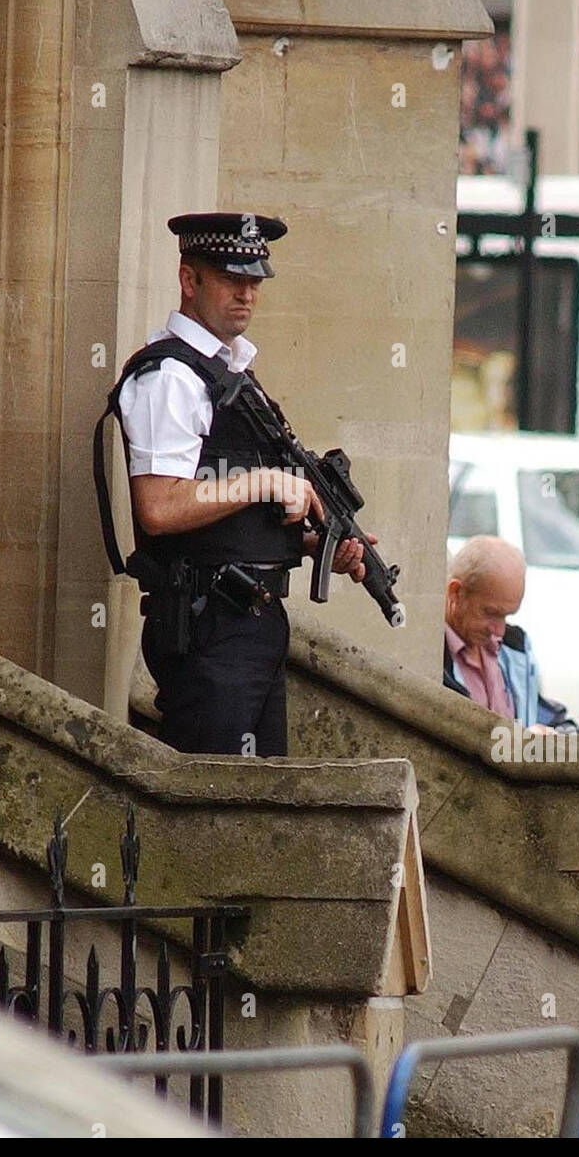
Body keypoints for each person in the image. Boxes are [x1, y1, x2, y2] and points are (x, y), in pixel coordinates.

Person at [100, 211, 375, 757]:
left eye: (255, 281)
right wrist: (264, 481)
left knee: (255, 809)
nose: (246, 294)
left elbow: (229, 523)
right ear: (189, 279)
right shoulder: (171, 378)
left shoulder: (228, 374)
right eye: (231, 279)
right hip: (208, 627)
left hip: (250, 624)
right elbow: (158, 506)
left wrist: (319, 547)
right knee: (214, 811)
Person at [443, 535, 578, 732]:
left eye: (506, 616)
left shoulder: (513, 647)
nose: (499, 630)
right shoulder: (431, 658)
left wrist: (553, 734)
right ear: (456, 592)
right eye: (490, 613)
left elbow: (548, 716)